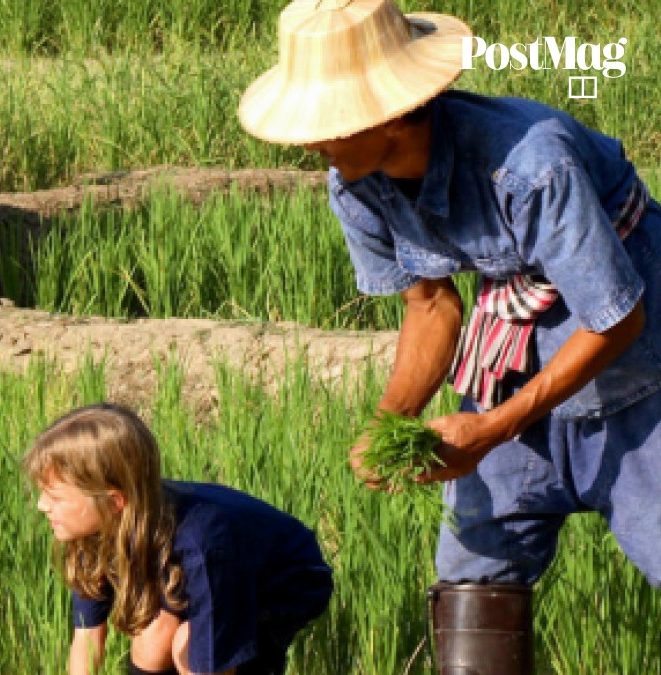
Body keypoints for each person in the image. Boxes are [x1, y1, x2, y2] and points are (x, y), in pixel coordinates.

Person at [238, 1, 661, 672]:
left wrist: (491, 429)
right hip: (514, 356)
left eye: (325, 125)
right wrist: (392, 419)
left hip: (636, 370)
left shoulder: (530, 164)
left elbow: (617, 318)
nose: (309, 142)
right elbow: (431, 305)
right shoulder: (355, 185)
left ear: (385, 117)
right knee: (473, 581)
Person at [25, 403, 333, 675]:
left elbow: (214, 663)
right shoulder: (90, 532)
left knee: (189, 645)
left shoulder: (202, 545)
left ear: (114, 501)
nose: (41, 505)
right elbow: (87, 641)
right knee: (154, 636)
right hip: (196, 568)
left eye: (54, 497)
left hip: (280, 579)